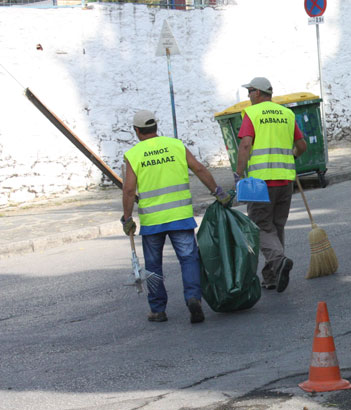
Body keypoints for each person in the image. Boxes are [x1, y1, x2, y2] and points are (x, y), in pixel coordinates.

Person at [121, 110, 231, 324]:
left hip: (153, 221)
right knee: (189, 259)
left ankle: (158, 309)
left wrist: (127, 218)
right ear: (156, 126)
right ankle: (193, 298)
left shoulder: (134, 154)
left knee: (153, 266)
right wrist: (218, 192)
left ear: (136, 131)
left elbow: (128, 190)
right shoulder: (176, 146)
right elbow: (199, 168)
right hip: (180, 216)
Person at [235, 76, 307, 292]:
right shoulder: (287, 113)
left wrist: (239, 174)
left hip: (260, 182)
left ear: (258, 93)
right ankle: (272, 276)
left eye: (250, 92)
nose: (248, 96)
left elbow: (245, 145)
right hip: (285, 180)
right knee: (276, 227)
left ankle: (278, 261)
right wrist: (290, 158)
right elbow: (301, 145)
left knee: (260, 227)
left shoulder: (253, 113)